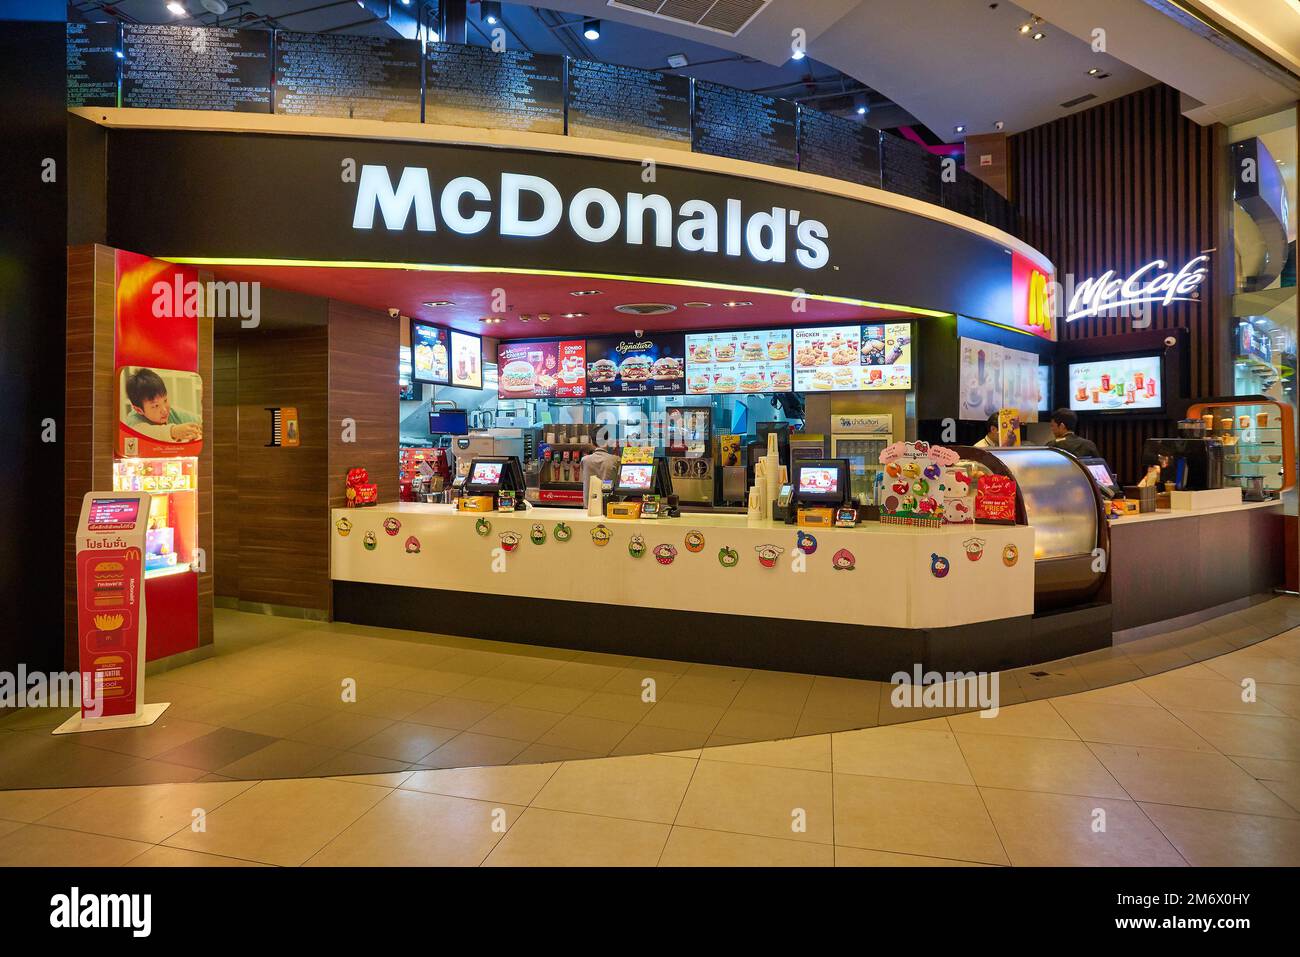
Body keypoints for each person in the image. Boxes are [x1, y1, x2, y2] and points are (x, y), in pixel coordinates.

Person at [124, 368, 202, 442]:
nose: (165, 410)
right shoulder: (133, 422)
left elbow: (200, 422)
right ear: (139, 410)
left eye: (165, 400)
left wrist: (197, 430)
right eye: (156, 406)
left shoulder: (172, 413)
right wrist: (174, 431)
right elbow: (144, 432)